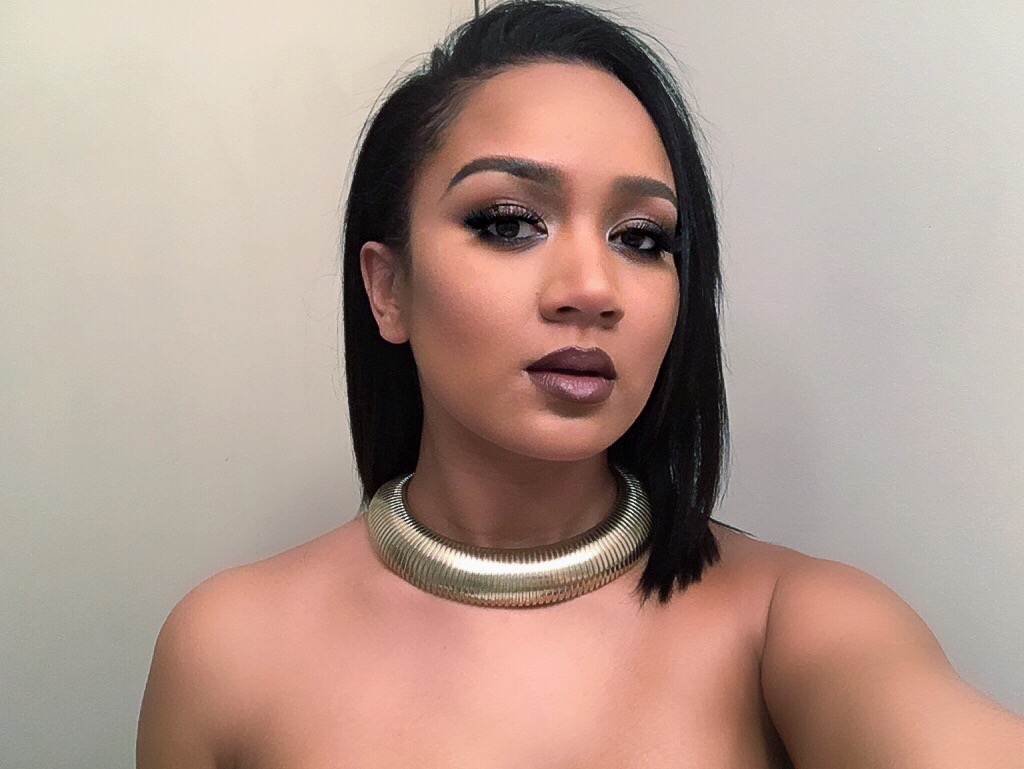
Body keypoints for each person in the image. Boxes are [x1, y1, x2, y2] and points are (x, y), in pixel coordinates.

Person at [136, 2, 1024, 766]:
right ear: (388, 287)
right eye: (508, 221)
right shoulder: (226, 652)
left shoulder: (791, 623)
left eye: (642, 238)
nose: (594, 289)